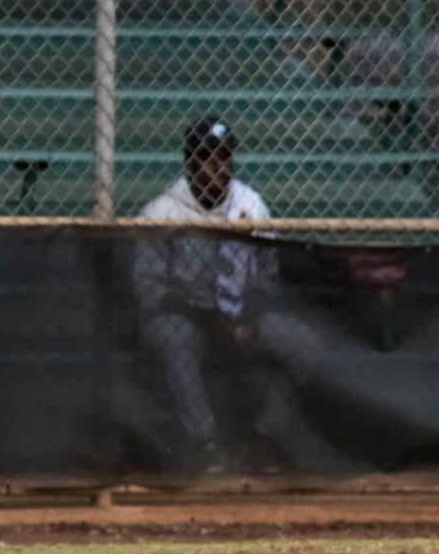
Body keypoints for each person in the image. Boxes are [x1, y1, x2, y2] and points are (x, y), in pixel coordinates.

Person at [131, 118, 321, 476]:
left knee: (305, 345)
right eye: (206, 156)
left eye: (223, 156)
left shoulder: (250, 205)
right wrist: (209, 320)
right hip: (182, 318)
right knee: (176, 339)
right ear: (189, 162)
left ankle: (262, 441)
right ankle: (206, 445)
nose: (217, 165)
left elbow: (266, 276)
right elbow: (150, 290)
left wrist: (247, 318)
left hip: (239, 316)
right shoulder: (162, 211)